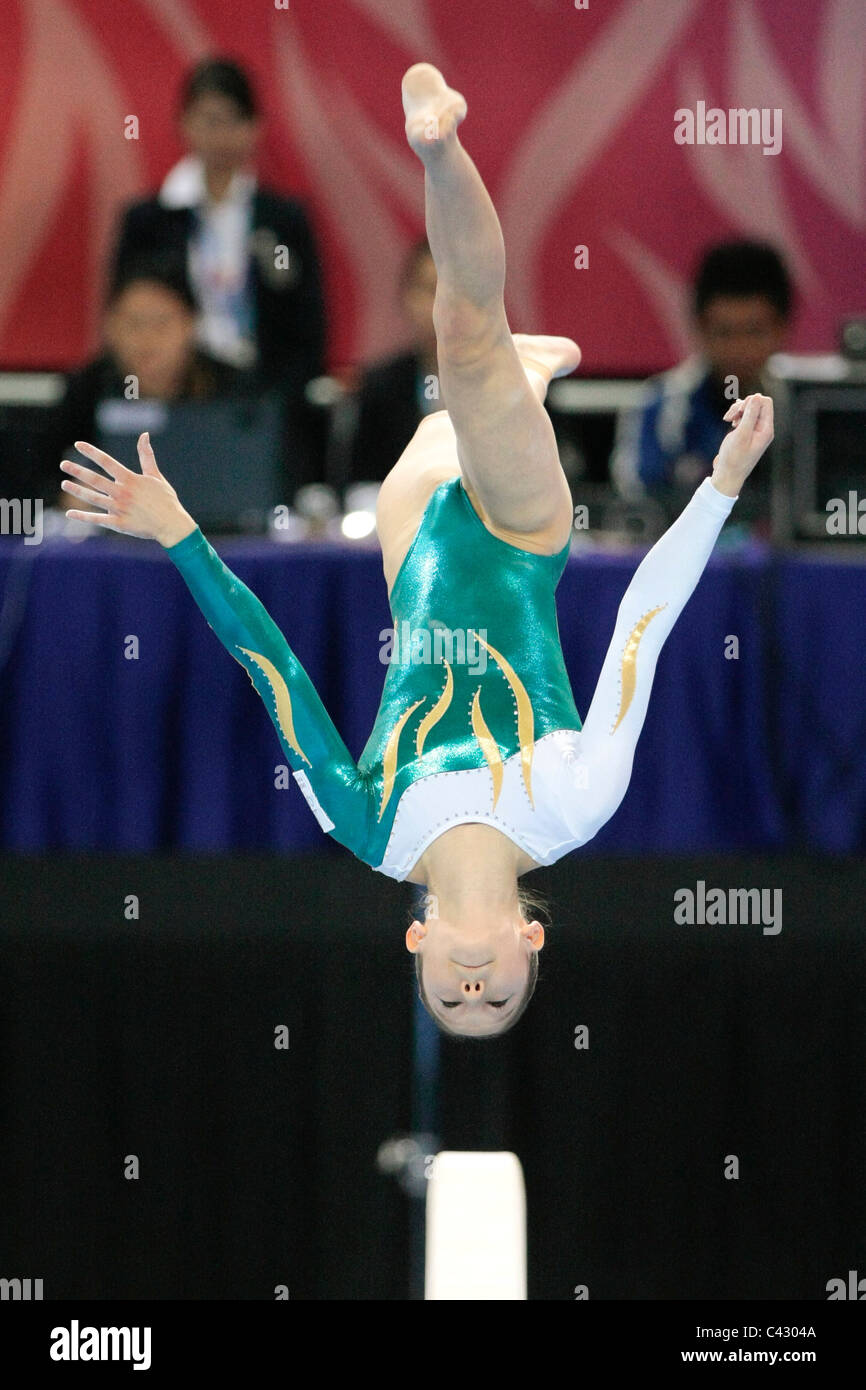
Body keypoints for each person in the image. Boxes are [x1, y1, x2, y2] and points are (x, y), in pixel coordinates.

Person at [59, 66, 774, 1040]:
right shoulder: (573, 805)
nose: (470, 985)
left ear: (416, 949)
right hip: (521, 535)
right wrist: (720, 484)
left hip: (410, 539)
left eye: (450, 996)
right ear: (531, 943)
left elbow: (273, 672)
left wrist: (181, 532)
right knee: (462, 340)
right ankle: (438, 143)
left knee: (475, 366)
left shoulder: (370, 831)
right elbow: (641, 625)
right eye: (497, 996)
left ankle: (527, 364)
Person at [110, 57, 326, 403]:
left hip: (262, 393)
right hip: (176, 388)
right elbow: (123, 313)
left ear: (255, 127)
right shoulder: (148, 220)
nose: (221, 135)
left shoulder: (283, 219)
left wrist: (285, 400)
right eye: (210, 120)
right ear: (184, 124)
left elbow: (307, 323)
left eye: (234, 120)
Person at [47, 257, 250, 510]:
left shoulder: (235, 390)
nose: (147, 339)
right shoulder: (86, 391)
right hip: (112, 540)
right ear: (110, 326)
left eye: (161, 323)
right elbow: (46, 480)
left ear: (191, 325)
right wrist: (70, 496)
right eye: (134, 323)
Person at [611, 239, 791, 501]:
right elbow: (637, 507)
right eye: (725, 332)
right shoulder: (656, 408)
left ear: (781, 328)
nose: (739, 348)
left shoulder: (805, 410)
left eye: (754, 331)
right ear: (700, 327)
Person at [348, 237, 441, 483]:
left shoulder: (506, 385)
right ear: (406, 296)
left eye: (451, 290)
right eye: (428, 289)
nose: (439, 306)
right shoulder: (380, 387)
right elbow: (361, 483)